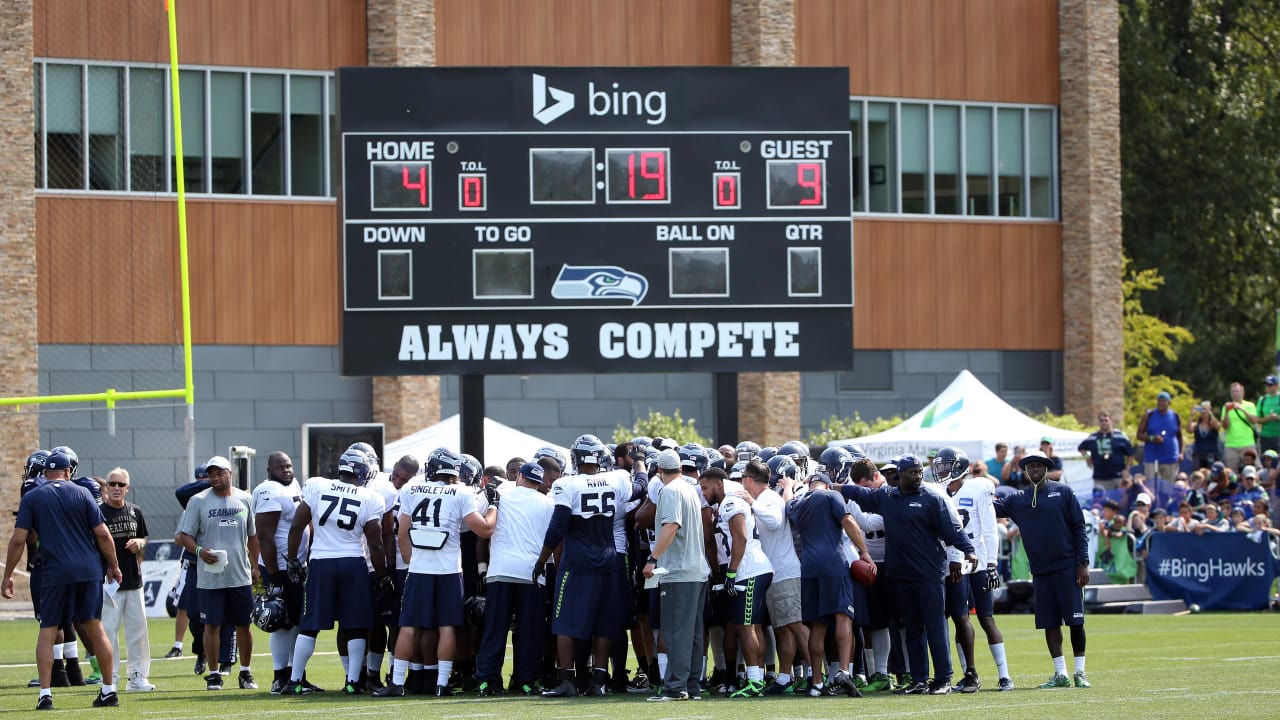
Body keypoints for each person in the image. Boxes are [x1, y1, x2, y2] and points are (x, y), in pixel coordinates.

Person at [840, 455, 975, 696]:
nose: (918, 476)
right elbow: (859, 493)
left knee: (935, 626)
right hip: (901, 575)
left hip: (929, 573)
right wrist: (831, 486)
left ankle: (943, 678)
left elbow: (952, 529)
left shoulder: (931, 498)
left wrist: (969, 550)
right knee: (912, 628)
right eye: (912, 472)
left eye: (919, 471)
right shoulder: (887, 497)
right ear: (899, 475)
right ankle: (919, 679)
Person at [4, 450, 123, 709]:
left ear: (46, 473)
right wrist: (114, 565)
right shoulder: (83, 493)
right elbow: (103, 534)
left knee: (48, 630)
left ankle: (45, 695)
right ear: (68, 472)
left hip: (55, 571)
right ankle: (109, 690)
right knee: (95, 627)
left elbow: (19, 539)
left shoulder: (33, 496)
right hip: (88, 570)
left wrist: (8, 575)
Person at [374, 448, 497, 698]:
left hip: (419, 568)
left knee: (408, 626)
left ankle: (397, 683)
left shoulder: (411, 489)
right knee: (447, 627)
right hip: (448, 569)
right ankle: (442, 684)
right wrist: (494, 505)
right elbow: (485, 529)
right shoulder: (462, 492)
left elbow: (402, 535)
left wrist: (413, 563)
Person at [536, 435, 646, 698]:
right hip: (607, 560)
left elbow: (557, 528)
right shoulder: (616, 478)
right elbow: (641, 486)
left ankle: (567, 680)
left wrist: (541, 560)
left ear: (576, 458)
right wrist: (639, 461)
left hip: (577, 563)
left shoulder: (566, 484)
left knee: (565, 623)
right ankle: (598, 681)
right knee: (605, 623)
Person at [284, 449, 391, 697]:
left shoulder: (317, 486)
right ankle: (353, 682)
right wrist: (383, 575)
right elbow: (375, 543)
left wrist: (292, 560)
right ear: (363, 472)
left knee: (309, 625)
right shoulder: (371, 497)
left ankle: (294, 680)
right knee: (355, 625)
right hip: (352, 563)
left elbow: (297, 526)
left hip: (321, 561)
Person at [992, 451, 1091, 690]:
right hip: (1040, 570)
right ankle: (1061, 674)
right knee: (1049, 623)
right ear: (1025, 471)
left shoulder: (1063, 491)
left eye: (1039, 465)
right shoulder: (1018, 499)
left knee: (1075, 621)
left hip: (1068, 567)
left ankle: (1080, 672)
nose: (1035, 469)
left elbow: (1079, 527)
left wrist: (1083, 563)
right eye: (1030, 466)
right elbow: (992, 508)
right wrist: (978, 490)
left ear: (1047, 468)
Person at [175, 455, 260, 691]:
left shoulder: (245, 499)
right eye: (211, 474)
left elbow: (252, 536)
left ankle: (245, 672)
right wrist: (199, 551)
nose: (215, 478)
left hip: (239, 574)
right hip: (210, 576)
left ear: (230, 473)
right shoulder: (198, 501)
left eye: (220, 473)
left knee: (244, 624)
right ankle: (213, 675)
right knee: (211, 625)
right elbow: (185, 535)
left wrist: (256, 565)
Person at [475, 462, 554, 696]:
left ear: (519, 476)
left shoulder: (501, 495)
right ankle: (526, 680)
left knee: (495, 628)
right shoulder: (547, 503)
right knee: (529, 631)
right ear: (539, 482)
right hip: (532, 572)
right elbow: (553, 536)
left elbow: (477, 518)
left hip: (500, 570)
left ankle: (488, 680)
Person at [737, 459, 811, 695]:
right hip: (775, 573)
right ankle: (784, 678)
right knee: (783, 629)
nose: (742, 482)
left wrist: (753, 504)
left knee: (796, 625)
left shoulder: (767, 497)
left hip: (784, 572)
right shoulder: (767, 497)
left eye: (743, 477)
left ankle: (815, 675)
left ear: (749, 479)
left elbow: (776, 521)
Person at [699, 467, 774, 698]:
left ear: (719, 484)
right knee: (752, 626)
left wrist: (731, 572)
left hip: (748, 570)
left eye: (705, 488)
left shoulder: (731, 502)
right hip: (750, 569)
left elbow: (740, 537)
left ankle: (755, 682)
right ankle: (757, 678)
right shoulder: (728, 502)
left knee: (745, 627)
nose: (703, 493)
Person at [643, 449, 710, 702]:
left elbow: (671, 525)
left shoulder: (669, 491)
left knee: (676, 631)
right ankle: (691, 685)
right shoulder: (690, 490)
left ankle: (675, 687)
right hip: (696, 570)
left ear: (659, 471)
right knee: (693, 633)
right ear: (681, 469)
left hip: (678, 571)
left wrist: (653, 558)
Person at [251, 451, 312, 694]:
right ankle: (280, 677)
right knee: (281, 621)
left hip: (296, 566)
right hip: (280, 567)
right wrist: (274, 574)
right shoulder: (269, 490)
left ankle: (296, 676)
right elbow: (265, 537)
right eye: (280, 467)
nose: (286, 470)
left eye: (288, 466)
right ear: (269, 470)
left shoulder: (294, 486)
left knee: (297, 622)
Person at [98, 468, 154, 692]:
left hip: (133, 580)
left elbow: (144, 539)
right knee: (108, 630)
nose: (116, 488)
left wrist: (140, 543)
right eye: (112, 483)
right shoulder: (98, 512)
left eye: (121, 485)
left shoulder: (135, 511)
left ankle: (138, 676)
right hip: (109, 582)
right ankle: (110, 676)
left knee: (138, 630)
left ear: (127, 488)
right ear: (106, 486)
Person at [1077, 412, 1132, 491]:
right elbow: (1081, 448)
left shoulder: (1120, 436)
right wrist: (1087, 458)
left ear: (1111, 421)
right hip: (1100, 477)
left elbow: (1131, 454)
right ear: (1098, 422)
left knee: (1122, 497)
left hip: (1118, 476)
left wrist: (1127, 469)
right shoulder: (1093, 437)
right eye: (1101, 420)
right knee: (1101, 498)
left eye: (1106, 420)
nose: (1104, 423)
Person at [1138, 391, 1185, 482]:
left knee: (1168, 487)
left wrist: (1181, 453)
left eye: (1164, 401)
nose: (1161, 403)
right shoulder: (1149, 415)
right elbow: (1139, 435)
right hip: (1152, 459)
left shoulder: (1175, 416)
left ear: (1169, 402)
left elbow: (1179, 437)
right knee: (1153, 486)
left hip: (1171, 458)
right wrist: (1152, 438)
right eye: (1159, 401)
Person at [1220, 382, 1258, 472]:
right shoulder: (1226, 407)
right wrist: (1226, 412)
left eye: (1237, 391)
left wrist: (1242, 409)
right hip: (1231, 445)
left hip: (1247, 443)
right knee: (1232, 471)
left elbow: (1254, 421)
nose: (1235, 394)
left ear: (1242, 393)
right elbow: (1225, 426)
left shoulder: (1250, 405)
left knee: (1252, 469)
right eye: (1233, 392)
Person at [1189, 401, 1222, 469]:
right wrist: (1192, 415)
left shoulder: (1213, 424)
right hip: (1198, 454)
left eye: (1205, 409)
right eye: (1202, 409)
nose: (1203, 412)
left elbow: (1217, 427)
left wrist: (1210, 413)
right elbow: (1189, 429)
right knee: (1197, 473)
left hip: (1212, 454)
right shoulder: (1196, 425)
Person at [1256, 375, 1280, 455]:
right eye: (1266, 385)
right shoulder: (1262, 400)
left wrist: (1277, 417)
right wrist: (1267, 418)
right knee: (1265, 458)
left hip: (1278, 436)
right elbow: (1258, 419)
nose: (1268, 387)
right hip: (1265, 436)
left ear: (1276, 386)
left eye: (1270, 385)